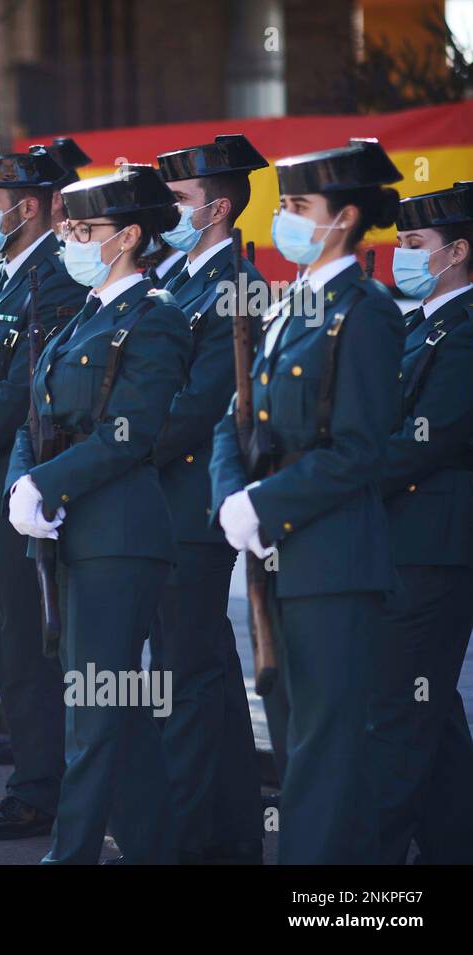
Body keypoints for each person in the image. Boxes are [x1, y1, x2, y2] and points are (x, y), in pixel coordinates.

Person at [211, 138, 404, 864]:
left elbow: (359, 451)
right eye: (283, 205)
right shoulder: (291, 306)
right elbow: (238, 420)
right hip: (279, 551)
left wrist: (266, 505)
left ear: (345, 217)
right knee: (301, 745)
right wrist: (234, 495)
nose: (287, 219)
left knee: (323, 751)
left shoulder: (365, 313)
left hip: (333, 560)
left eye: (300, 206)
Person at [8, 164, 189, 864]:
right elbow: (36, 413)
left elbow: (131, 431)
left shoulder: (156, 316)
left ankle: (70, 853)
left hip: (120, 532)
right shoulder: (83, 314)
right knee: (121, 710)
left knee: (93, 704)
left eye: (86, 230)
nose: (71, 242)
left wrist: (47, 482)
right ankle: (156, 849)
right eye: (67, 228)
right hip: (72, 529)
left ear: (130, 237)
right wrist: (24, 481)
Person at [0, 147, 87, 841]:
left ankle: (42, 789)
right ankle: (38, 777)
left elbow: (19, 393)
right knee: (5, 641)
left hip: (15, 482)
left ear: (30, 205)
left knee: (28, 643)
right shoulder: (1, 277)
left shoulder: (57, 277)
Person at [151, 135, 268, 864]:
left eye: (179, 200)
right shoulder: (182, 275)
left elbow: (201, 403)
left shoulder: (237, 282)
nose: (166, 211)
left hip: (191, 502)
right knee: (211, 672)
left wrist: (123, 449)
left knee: (183, 675)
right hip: (167, 496)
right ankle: (230, 835)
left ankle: (184, 841)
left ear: (216, 207)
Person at [371, 180, 473, 863]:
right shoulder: (420, 319)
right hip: (402, 537)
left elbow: (424, 439)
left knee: (397, 720)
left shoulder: (463, 330)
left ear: (458, 251)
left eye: (414, 244)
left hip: (433, 547)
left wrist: (333, 477)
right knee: (429, 715)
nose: (400, 256)